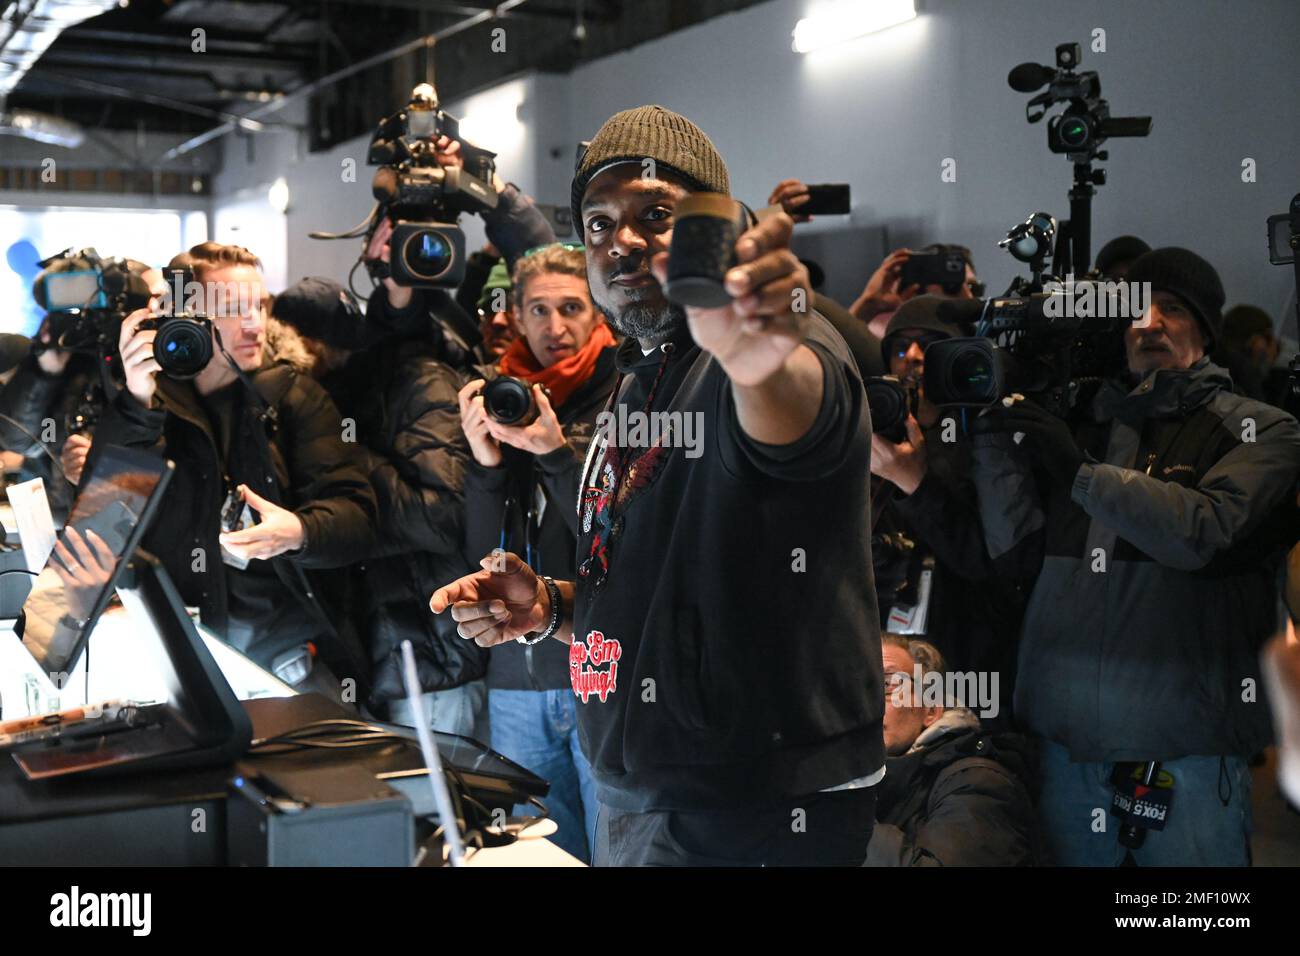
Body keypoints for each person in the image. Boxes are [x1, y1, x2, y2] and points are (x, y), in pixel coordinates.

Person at [432, 105, 883, 867]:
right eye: (600, 223)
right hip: (645, 789)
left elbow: (792, 415)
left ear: (720, 229)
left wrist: (756, 354)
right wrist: (551, 608)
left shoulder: (775, 347)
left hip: (755, 802)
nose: (623, 241)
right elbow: (658, 590)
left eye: (658, 214)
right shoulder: (637, 381)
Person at [958, 247, 1300, 865]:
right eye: (1136, 310)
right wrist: (993, 428)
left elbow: (1204, 530)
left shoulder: (1263, 429)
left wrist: (1079, 470)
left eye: (1172, 308)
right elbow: (1015, 552)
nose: (1150, 323)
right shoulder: (1081, 424)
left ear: (1206, 328)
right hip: (1066, 746)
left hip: (1185, 753)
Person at [86, 242, 377, 699]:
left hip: (284, 659)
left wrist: (298, 530)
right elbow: (101, 520)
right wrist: (137, 403)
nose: (254, 324)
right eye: (232, 309)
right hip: (173, 655)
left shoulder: (294, 397)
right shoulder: (149, 402)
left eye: (259, 306)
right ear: (186, 317)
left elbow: (359, 516)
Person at [271, 276, 488, 737]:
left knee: (441, 805)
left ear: (310, 345)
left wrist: (335, 455)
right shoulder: (335, 399)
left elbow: (441, 517)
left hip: (430, 657)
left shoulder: (416, 381)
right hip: (368, 654)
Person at [458, 242, 618, 862]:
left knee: (615, 844)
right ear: (517, 317)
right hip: (515, 679)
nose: (556, 327)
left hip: (594, 665)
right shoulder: (503, 396)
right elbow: (482, 558)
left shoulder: (626, 394)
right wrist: (486, 464)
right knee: (536, 852)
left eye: (572, 306)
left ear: (598, 312)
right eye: (539, 310)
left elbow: (611, 536)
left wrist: (554, 453)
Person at [868, 298, 1024, 724]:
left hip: (967, 665)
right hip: (883, 664)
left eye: (929, 345)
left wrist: (914, 483)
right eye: (899, 348)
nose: (913, 357)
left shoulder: (986, 440)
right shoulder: (869, 442)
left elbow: (988, 561)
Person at [364, 138, 556, 373]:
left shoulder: (571, 373)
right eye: (487, 311)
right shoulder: (465, 368)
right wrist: (398, 292)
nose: (497, 322)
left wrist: (489, 188)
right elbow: (416, 349)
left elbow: (546, 270)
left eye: (509, 311)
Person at [865, 635, 1039, 866]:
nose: (867, 700)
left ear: (931, 710)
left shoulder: (979, 782)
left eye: (888, 684)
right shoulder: (852, 775)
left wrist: (845, 812)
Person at [849, 244, 983, 339]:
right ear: (915, 293)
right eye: (952, 287)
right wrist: (865, 306)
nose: (969, 297)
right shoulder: (885, 339)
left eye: (974, 288)